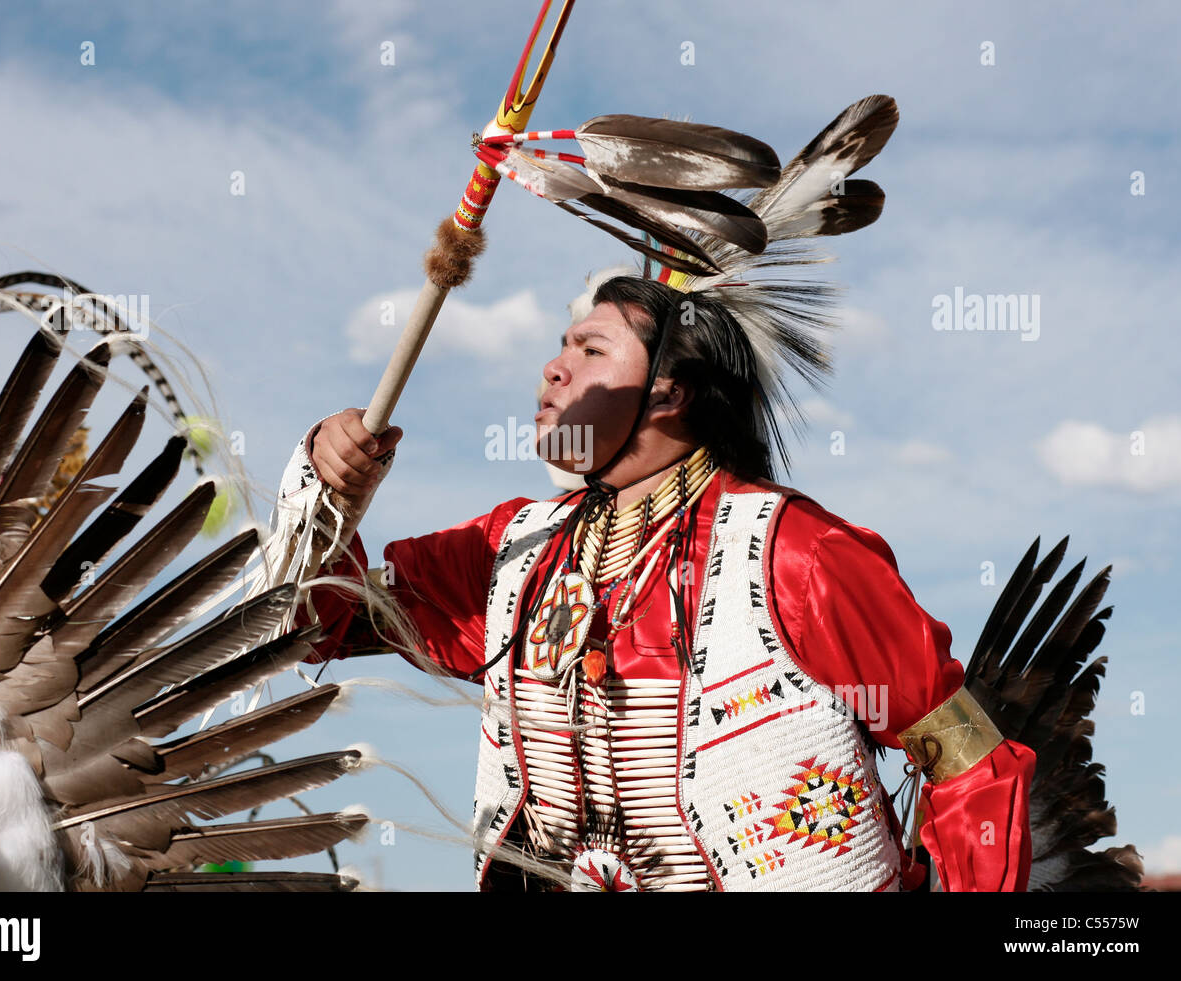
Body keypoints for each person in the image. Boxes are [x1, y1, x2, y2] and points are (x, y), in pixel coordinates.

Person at [271, 271, 1035, 893]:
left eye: (590, 349)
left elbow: (968, 762)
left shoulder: (800, 555)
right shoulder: (512, 553)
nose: (553, 365)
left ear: (670, 391)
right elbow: (308, 627)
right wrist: (327, 493)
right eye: (559, 345)